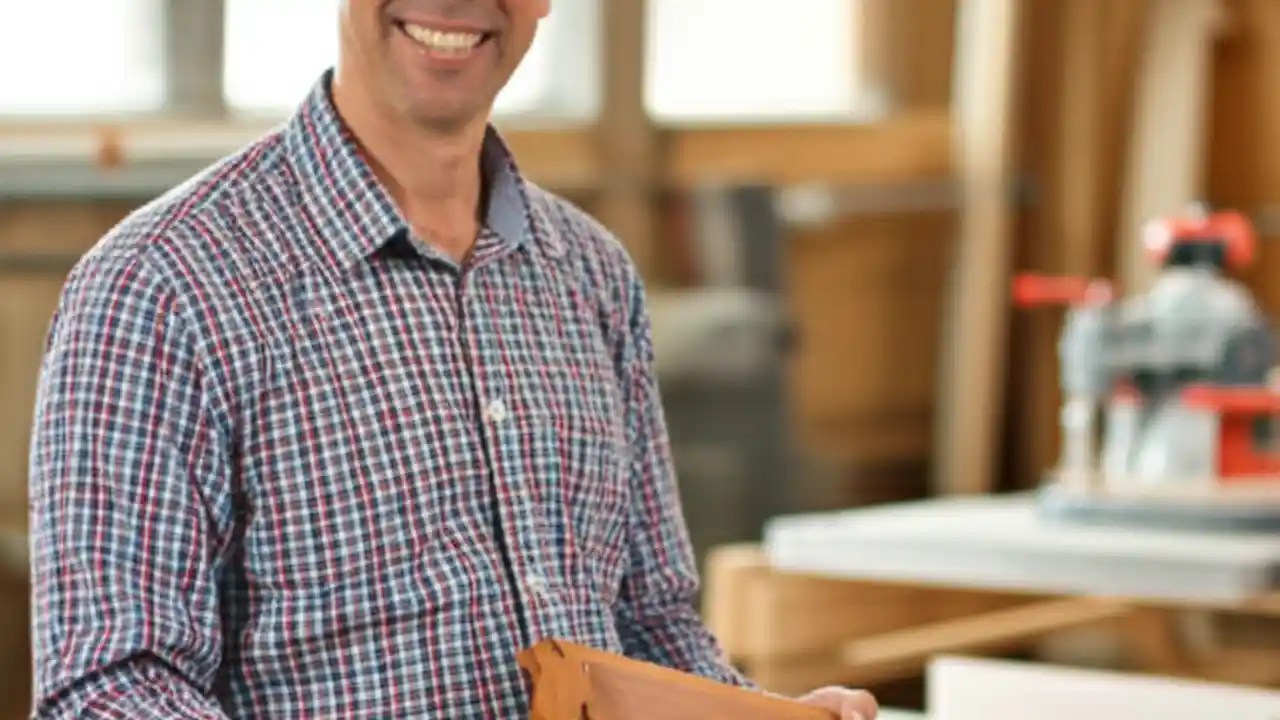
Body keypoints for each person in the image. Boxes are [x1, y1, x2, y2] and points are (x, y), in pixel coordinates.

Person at [27, 1, 878, 718]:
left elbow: (648, 621)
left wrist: (754, 716)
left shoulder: (592, 275)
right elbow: (109, 688)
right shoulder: (162, 286)